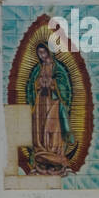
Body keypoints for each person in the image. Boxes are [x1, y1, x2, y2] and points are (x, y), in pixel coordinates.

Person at [25, 41, 74, 174]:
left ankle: (55, 155)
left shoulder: (57, 68)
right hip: (41, 102)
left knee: (52, 128)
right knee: (40, 128)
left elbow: (64, 85)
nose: (42, 55)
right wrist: (38, 84)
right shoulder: (37, 69)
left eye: (44, 52)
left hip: (53, 102)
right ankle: (42, 155)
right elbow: (31, 86)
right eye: (39, 53)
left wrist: (53, 83)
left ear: (49, 51)